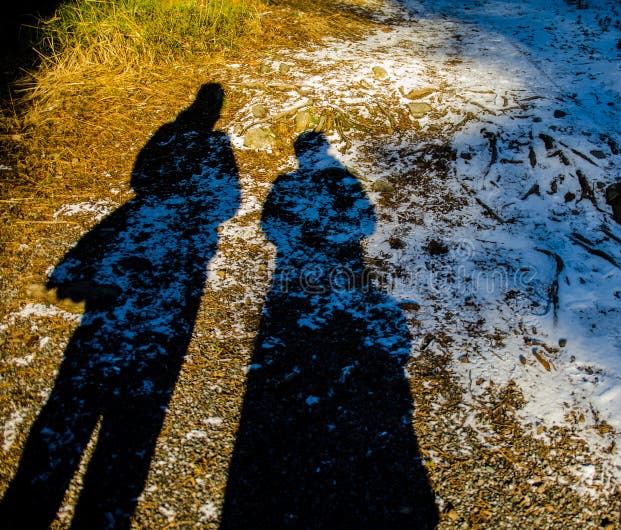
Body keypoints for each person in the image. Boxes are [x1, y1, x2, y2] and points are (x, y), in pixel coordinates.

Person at [0, 83, 240, 529]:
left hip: (162, 243)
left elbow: (142, 179)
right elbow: (226, 202)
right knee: (121, 416)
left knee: (67, 407)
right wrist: (194, 207)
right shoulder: (208, 144)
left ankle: (29, 503)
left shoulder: (170, 135)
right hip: (179, 255)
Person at [221, 132, 437, 529]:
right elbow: (363, 221)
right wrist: (329, 235)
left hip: (300, 269)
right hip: (326, 266)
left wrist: (303, 238)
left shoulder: (293, 182)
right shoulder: (337, 180)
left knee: (306, 327)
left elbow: (274, 224)